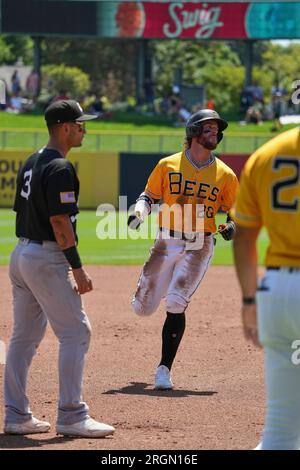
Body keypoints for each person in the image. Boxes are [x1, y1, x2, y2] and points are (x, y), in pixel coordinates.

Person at [4, 100, 115, 438]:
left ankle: (16, 415)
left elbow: (20, 212)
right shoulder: (60, 167)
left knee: (23, 337)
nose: (84, 129)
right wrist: (77, 269)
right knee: (76, 333)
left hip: (21, 254)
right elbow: (59, 221)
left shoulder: (30, 161)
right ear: (64, 127)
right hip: (46, 257)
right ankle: (71, 414)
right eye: (80, 124)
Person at [128, 109, 239, 389]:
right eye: (209, 128)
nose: (215, 133)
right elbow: (149, 195)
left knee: (177, 302)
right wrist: (139, 213)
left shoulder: (225, 174)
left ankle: (164, 369)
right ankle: (162, 283)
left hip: (200, 242)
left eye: (217, 129)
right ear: (193, 132)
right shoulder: (168, 165)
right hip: (167, 239)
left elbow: (235, 210)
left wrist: (232, 225)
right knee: (141, 308)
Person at [232, 126, 300, 450]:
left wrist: (249, 299)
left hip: (276, 292)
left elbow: (243, 235)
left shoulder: (268, 153)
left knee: (280, 431)